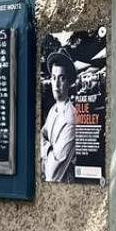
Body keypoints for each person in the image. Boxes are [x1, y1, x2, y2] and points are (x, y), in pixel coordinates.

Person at [41, 50, 77, 182]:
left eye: (62, 78)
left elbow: (52, 173)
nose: (56, 85)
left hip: (64, 186)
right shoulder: (53, 109)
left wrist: (44, 149)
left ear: (69, 82)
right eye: (53, 77)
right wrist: (49, 150)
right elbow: (41, 134)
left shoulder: (71, 118)